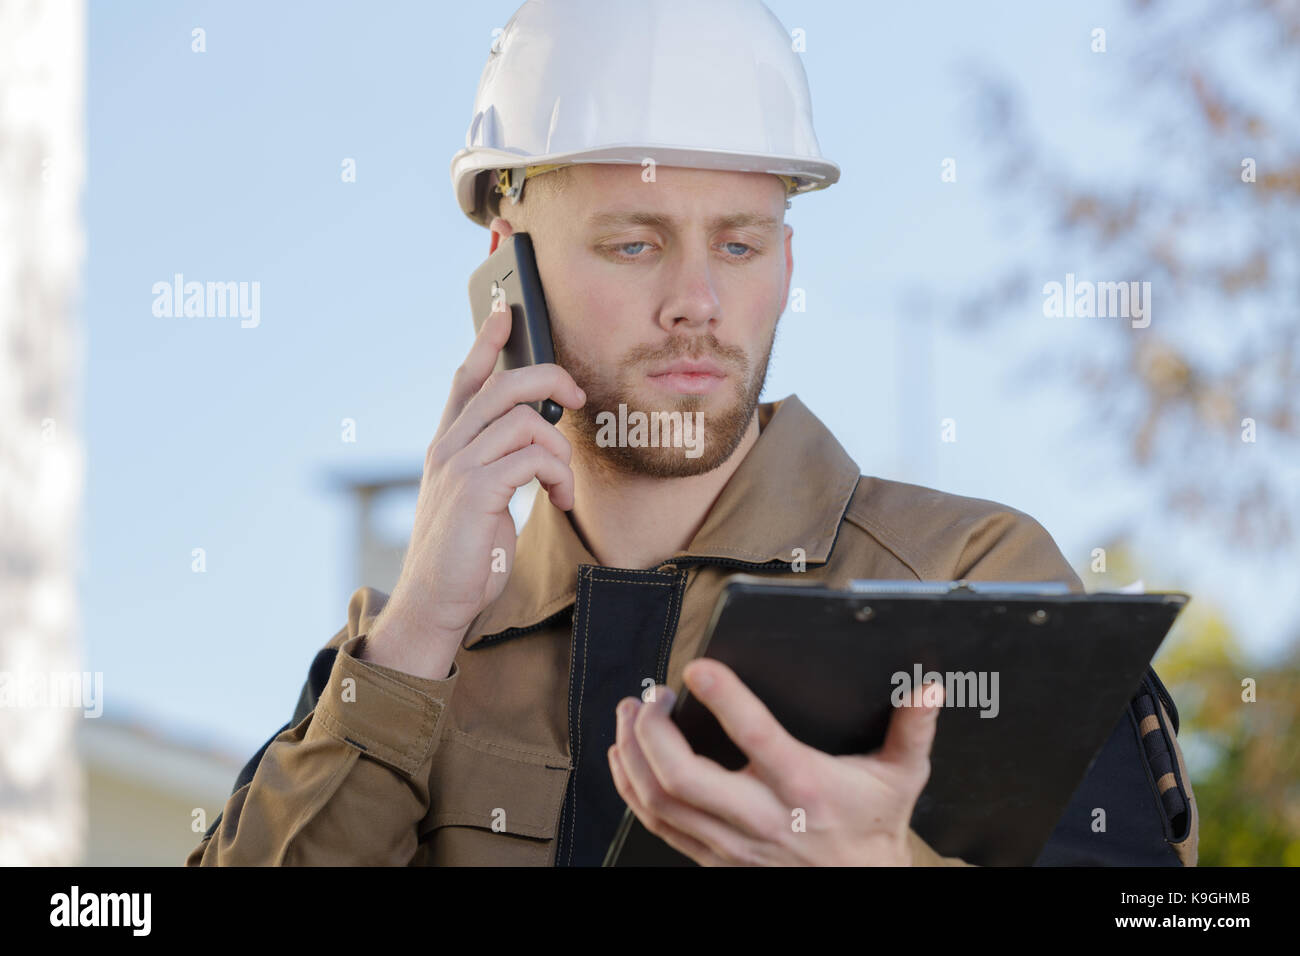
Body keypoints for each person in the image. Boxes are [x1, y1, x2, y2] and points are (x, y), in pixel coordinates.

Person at [187, 0, 1196, 867]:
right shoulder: (403, 653)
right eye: (634, 242)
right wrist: (413, 640)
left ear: (787, 267)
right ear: (509, 275)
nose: (697, 303)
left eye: (739, 243)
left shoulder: (967, 580)